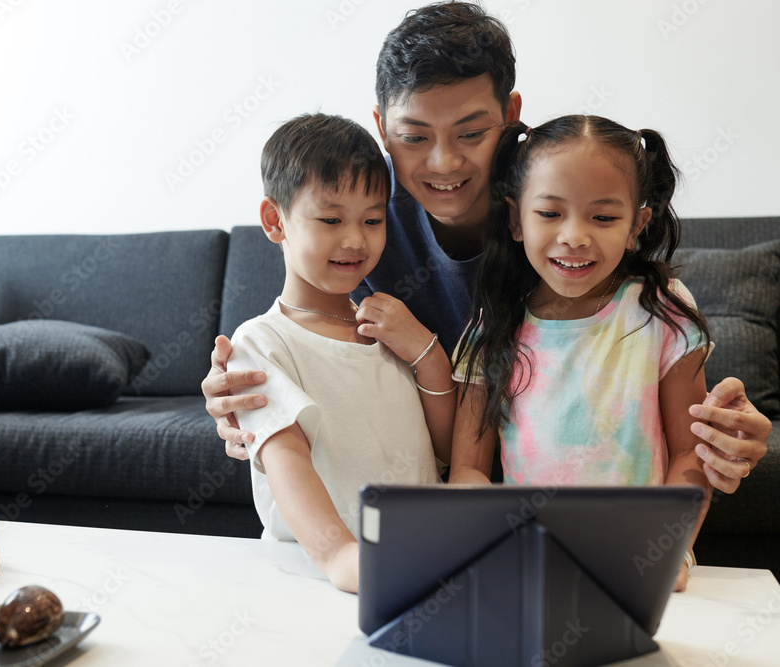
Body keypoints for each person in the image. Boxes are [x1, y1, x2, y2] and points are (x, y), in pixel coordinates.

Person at [202, 2, 769, 494]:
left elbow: (647, 367)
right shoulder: (362, 220)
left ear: (511, 115)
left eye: (471, 133)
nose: (444, 163)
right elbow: (301, 335)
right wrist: (249, 393)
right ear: (381, 126)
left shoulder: (564, 201)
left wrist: (723, 429)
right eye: (413, 136)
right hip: (454, 488)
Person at [449, 115, 712, 592]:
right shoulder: (492, 327)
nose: (574, 235)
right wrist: (483, 540)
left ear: (637, 226)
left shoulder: (662, 310)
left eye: (604, 217)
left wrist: (668, 547)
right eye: (550, 213)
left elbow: (691, 452)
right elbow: (468, 466)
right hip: (528, 558)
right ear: (515, 219)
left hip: (644, 554)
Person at [227, 113, 455, 593]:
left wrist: (428, 355)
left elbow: (443, 450)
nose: (355, 239)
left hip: (417, 562)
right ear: (275, 220)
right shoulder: (260, 343)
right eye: (331, 219)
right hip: (318, 573)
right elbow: (286, 459)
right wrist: (339, 556)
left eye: (373, 220)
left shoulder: (388, 326)